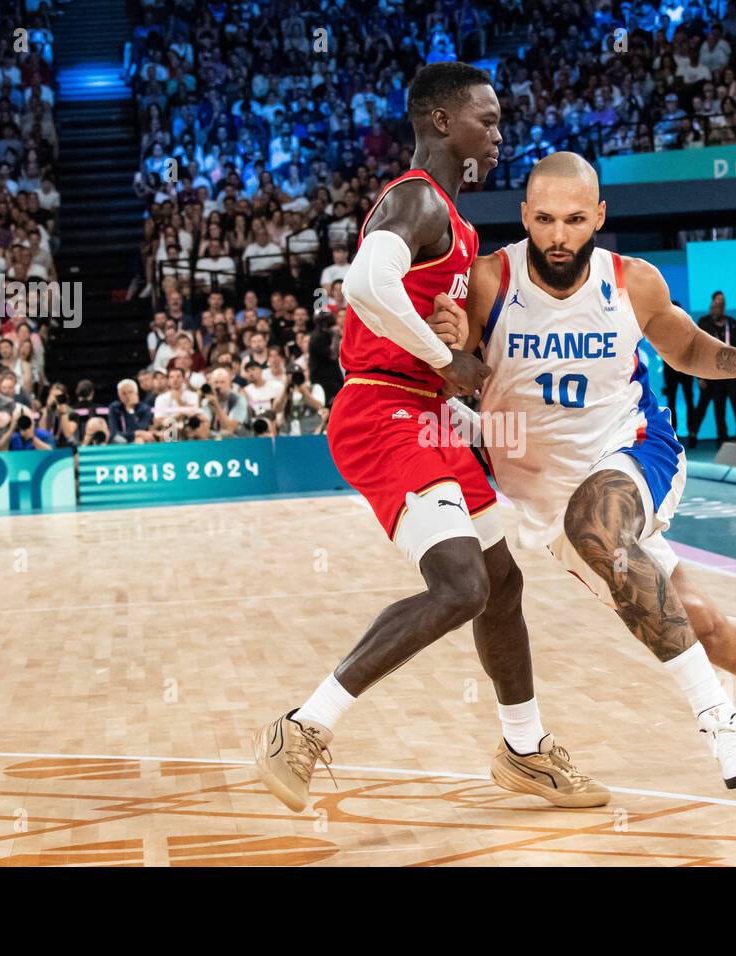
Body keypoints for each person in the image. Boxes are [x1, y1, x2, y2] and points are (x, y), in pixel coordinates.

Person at [449, 152, 736, 784]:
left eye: (574, 219)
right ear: (524, 215)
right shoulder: (490, 282)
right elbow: (452, 369)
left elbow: (683, 344)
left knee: (596, 524)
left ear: (598, 215)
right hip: (546, 499)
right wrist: (445, 348)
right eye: (544, 218)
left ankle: (722, 725)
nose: (558, 234)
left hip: (633, 451)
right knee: (702, 626)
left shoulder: (634, 281)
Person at [253, 62, 607, 814]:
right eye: (489, 118)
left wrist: (488, 420)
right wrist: (449, 358)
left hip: (426, 413)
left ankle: (523, 751)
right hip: (383, 413)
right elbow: (364, 288)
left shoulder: (455, 219)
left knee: (501, 585)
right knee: (461, 586)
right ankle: (304, 726)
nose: (500, 133)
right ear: (443, 121)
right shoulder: (415, 199)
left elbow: (433, 359)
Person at [688, 291, 736, 442]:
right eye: (716, 304)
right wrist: (700, 376)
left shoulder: (734, 325)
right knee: (717, 406)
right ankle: (721, 436)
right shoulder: (703, 323)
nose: (718, 308)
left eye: (721, 305)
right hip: (714, 373)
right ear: (711, 305)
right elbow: (698, 349)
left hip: (734, 373)